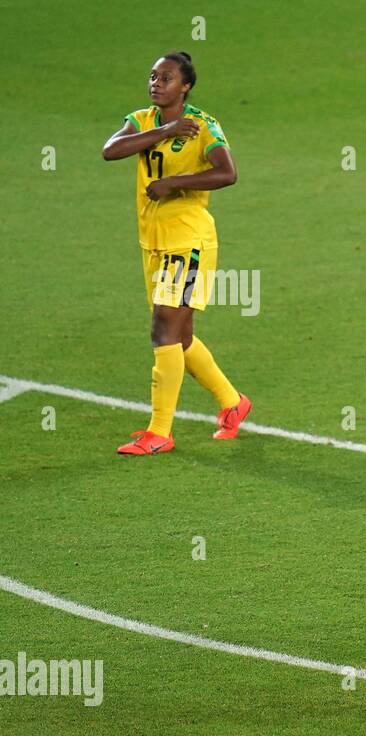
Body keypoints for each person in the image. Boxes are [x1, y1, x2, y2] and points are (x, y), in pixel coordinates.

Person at [102, 51, 250, 455]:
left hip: (188, 241)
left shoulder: (203, 125)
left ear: (185, 86)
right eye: (153, 76)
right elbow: (111, 150)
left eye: (166, 78)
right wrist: (163, 134)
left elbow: (227, 172)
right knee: (180, 336)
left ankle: (160, 432)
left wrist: (175, 183)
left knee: (163, 331)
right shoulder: (143, 120)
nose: (156, 83)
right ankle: (233, 404)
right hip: (153, 240)